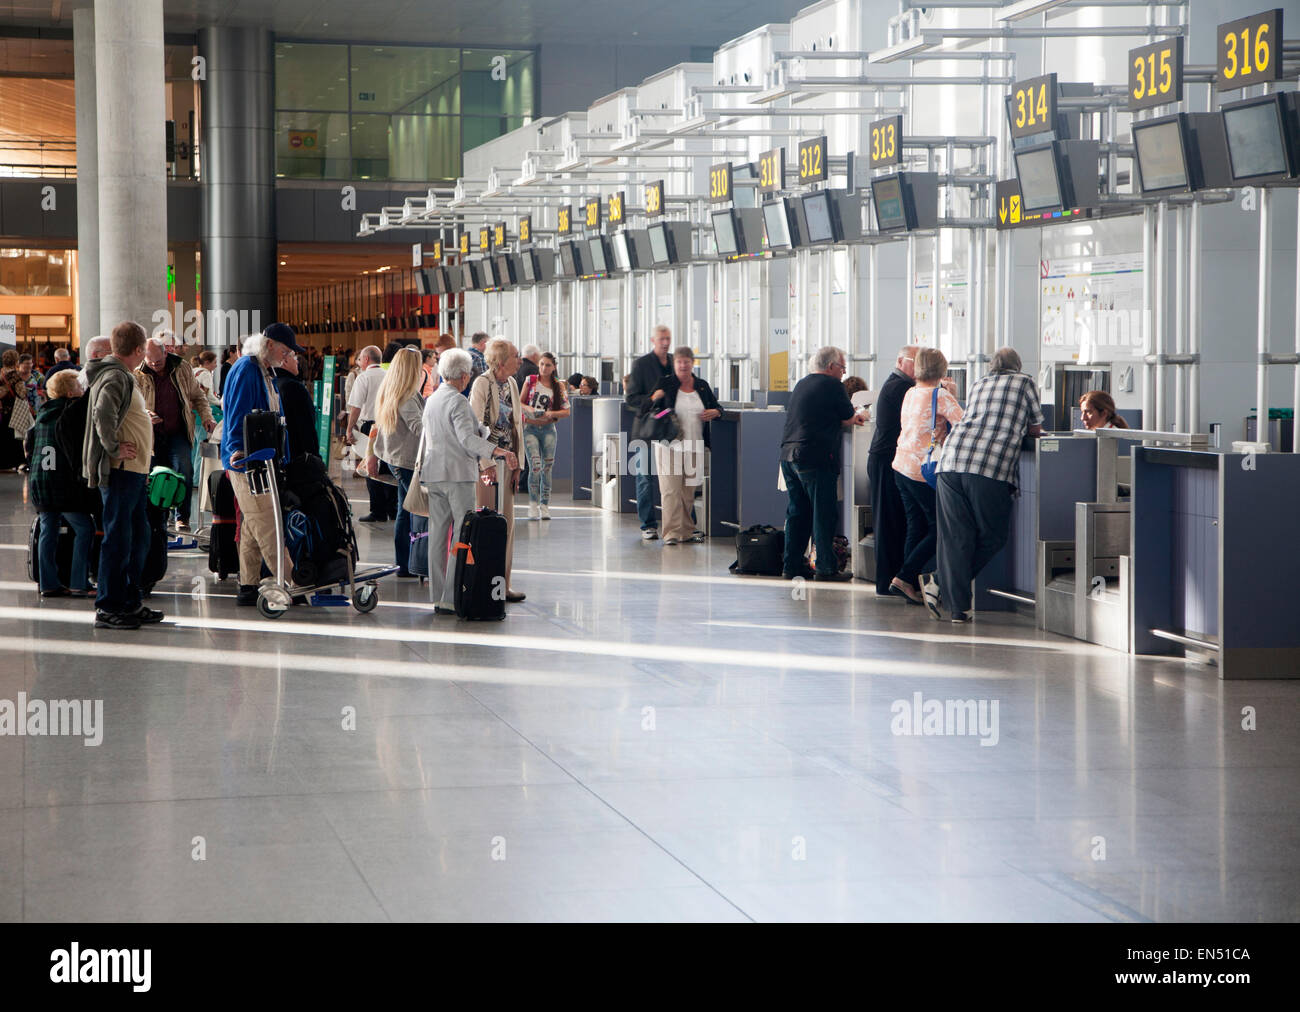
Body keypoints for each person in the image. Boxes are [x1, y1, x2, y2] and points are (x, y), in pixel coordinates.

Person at [926, 346, 1043, 624]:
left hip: (952, 460)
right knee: (993, 535)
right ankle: (939, 581)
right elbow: (1036, 427)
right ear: (1017, 366)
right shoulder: (1025, 382)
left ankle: (957, 609)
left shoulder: (979, 383)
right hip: (988, 466)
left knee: (957, 538)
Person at [420, 348, 517, 614]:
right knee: (461, 536)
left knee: (438, 536)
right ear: (463, 376)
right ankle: (452, 596)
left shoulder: (434, 398)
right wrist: (497, 451)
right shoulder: (458, 401)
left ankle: (437, 596)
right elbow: (467, 439)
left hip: (434, 474)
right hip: (457, 476)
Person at [82, 321, 161, 630]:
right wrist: (114, 447)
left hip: (134, 471)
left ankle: (129, 600)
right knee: (118, 539)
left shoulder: (120, 374)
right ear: (139, 350)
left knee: (136, 537)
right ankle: (109, 606)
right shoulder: (115, 376)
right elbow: (102, 412)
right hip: (122, 472)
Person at [221, 325, 303, 606]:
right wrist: (236, 450)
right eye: (285, 350)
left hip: (260, 460)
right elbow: (238, 413)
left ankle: (248, 584)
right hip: (247, 462)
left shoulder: (263, 369)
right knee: (267, 523)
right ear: (269, 344)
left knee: (251, 525)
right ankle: (294, 583)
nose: (287, 355)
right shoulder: (248, 369)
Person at [779, 346, 865, 581]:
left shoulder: (802, 383)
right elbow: (849, 415)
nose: (843, 374)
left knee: (798, 513)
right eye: (842, 368)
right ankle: (826, 568)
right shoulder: (832, 385)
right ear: (831, 367)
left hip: (788, 456)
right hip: (814, 458)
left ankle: (792, 565)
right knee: (823, 513)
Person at [888, 348, 963, 605]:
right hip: (923, 469)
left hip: (901, 465)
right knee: (940, 528)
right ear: (942, 370)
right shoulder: (940, 395)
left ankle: (911, 586)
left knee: (916, 526)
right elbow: (964, 425)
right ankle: (904, 577)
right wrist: (953, 395)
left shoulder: (910, 392)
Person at [26, 370, 98, 598]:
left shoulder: (42, 414)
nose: (82, 389)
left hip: (40, 481)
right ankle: (79, 582)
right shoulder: (70, 411)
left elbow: (29, 446)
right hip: (63, 484)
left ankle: (48, 584)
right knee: (85, 528)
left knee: (49, 530)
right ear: (70, 392)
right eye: (79, 386)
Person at [642, 346, 723, 545]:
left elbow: (717, 406)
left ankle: (686, 531)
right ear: (674, 364)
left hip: (695, 446)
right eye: (679, 362)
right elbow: (648, 411)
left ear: (692, 363)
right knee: (670, 491)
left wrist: (716, 412)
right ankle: (670, 533)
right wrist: (661, 406)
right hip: (669, 446)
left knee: (688, 493)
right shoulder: (665, 384)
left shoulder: (702, 386)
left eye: (687, 361)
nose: (683, 365)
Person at [134, 337, 216, 531]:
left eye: (158, 361)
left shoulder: (182, 367)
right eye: (150, 361)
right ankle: (159, 518)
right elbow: (133, 404)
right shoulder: (137, 373)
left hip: (178, 432)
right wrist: (146, 414)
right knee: (155, 477)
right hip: (151, 436)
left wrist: (207, 417)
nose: (154, 365)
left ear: (165, 353)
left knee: (184, 471)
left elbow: (198, 396)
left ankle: (182, 517)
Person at [469, 337, 526, 602]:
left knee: (508, 526)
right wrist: (486, 463)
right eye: (516, 355)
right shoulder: (482, 383)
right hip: (488, 465)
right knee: (487, 523)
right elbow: (475, 427)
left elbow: (517, 427)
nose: (520, 360)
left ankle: (503, 584)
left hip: (508, 462)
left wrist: (518, 465)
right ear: (502, 361)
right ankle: (483, 581)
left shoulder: (513, 383)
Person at [367, 347, 426, 577]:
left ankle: (404, 562)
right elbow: (418, 428)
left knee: (404, 509)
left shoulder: (392, 389)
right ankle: (412, 562)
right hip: (406, 460)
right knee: (414, 511)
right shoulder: (408, 395)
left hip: (396, 457)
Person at [866, 345, 918, 595]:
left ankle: (892, 579)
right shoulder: (901, 387)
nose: (919, 368)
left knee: (893, 521)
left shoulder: (899, 384)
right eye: (915, 361)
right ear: (900, 361)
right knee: (888, 522)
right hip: (886, 460)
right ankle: (887, 581)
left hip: (887, 460)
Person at [624, 325, 674, 540]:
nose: (665, 342)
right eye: (661, 339)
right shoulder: (641, 365)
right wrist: (653, 398)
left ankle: (677, 523)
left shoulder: (674, 363)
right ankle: (648, 524)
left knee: (674, 476)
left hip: (669, 429)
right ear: (653, 340)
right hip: (646, 430)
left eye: (668, 339)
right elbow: (631, 399)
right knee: (645, 477)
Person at [344, 344, 398, 522]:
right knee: (388, 466)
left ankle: (378, 511)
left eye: (360, 359)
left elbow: (356, 407)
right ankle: (393, 508)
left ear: (366, 359)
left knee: (370, 467)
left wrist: (349, 428)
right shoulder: (390, 376)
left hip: (370, 427)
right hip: (389, 425)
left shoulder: (363, 377)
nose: (359, 363)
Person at [520, 351, 569, 520]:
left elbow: (566, 411)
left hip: (548, 429)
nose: (544, 368)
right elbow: (519, 402)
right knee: (535, 465)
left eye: (548, 365)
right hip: (530, 428)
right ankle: (533, 504)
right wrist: (531, 410)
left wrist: (551, 413)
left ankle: (545, 504)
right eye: (541, 364)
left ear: (554, 367)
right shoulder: (530, 381)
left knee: (547, 467)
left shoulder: (559, 386)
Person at [271, 347, 320, 461]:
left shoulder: (273, 383)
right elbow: (306, 427)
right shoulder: (294, 387)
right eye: (294, 357)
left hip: (283, 455)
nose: (297, 361)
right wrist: (314, 458)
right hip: (299, 457)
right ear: (285, 361)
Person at [0, 350, 27, 471]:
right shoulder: (16, 376)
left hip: (1, 410)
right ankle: (14, 462)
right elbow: (21, 393)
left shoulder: (0, 373)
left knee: (2, 436)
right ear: (16, 361)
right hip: (12, 410)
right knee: (13, 437)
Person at [465, 331, 490, 396]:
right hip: (477, 395)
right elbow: (483, 382)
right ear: (483, 343)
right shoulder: (479, 358)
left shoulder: (465, 355)